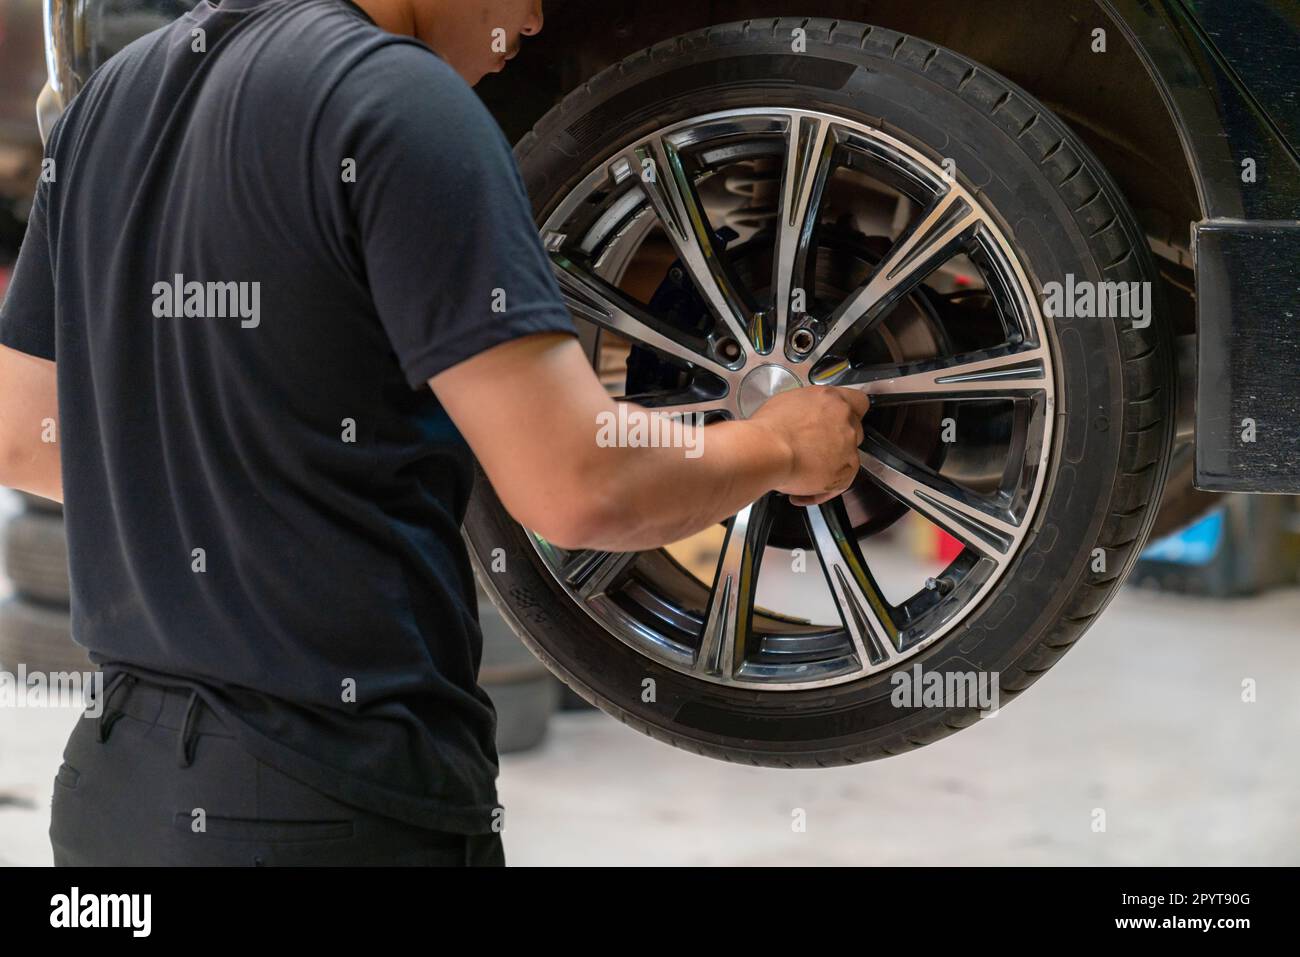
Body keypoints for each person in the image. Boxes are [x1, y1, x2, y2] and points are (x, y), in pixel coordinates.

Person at [0, 0, 868, 866]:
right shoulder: (398, 98)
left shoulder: (115, 95)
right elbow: (577, 482)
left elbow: (24, 437)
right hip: (323, 799)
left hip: (112, 792)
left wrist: (257, 459)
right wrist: (783, 446)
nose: (535, 19)